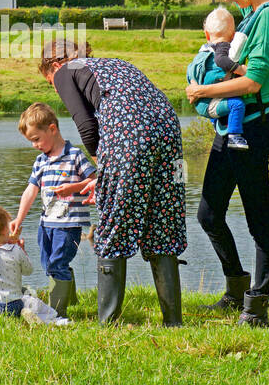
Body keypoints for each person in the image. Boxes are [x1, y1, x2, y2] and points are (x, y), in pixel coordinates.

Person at [39, 37, 186, 326]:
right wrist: (112, 171)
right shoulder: (117, 65)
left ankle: (109, 323)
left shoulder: (66, 71)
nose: (54, 88)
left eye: (49, 83)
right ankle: (173, 322)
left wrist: (102, 165)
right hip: (170, 131)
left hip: (129, 134)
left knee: (114, 223)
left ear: (55, 64)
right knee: (162, 222)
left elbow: (85, 122)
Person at [185, 0, 269, 328]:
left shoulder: (267, 17)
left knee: (257, 218)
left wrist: (202, 92)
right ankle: (236, 287)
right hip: (232, 124)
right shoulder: (256, 9)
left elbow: (253, 81)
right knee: (209, 213)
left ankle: (256, 306)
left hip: (254, 124)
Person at [10, 102, 95, 317]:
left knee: (58, 263)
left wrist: (73, 187)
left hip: (69, 224)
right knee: (48, 265)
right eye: (31, 142)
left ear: (52, 129)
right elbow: (30, 192)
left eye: (36, 139)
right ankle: (70, 299)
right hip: (45, 224)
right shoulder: (40, 161)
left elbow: (95, 181)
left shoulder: (75, 155)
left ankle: (57, 313)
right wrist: (18, 219)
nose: (34, 145)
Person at [188, 6, 250, 149]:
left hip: (202, 99)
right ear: (233, 35)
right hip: (209, 103)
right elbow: (220, 61)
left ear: (207, 35)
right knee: (237, 104)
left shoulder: (204, 50)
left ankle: (216, 124)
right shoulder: (222, 47)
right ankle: (234, 136)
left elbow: (191, 70)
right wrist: (240, 69)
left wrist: (193, 85)